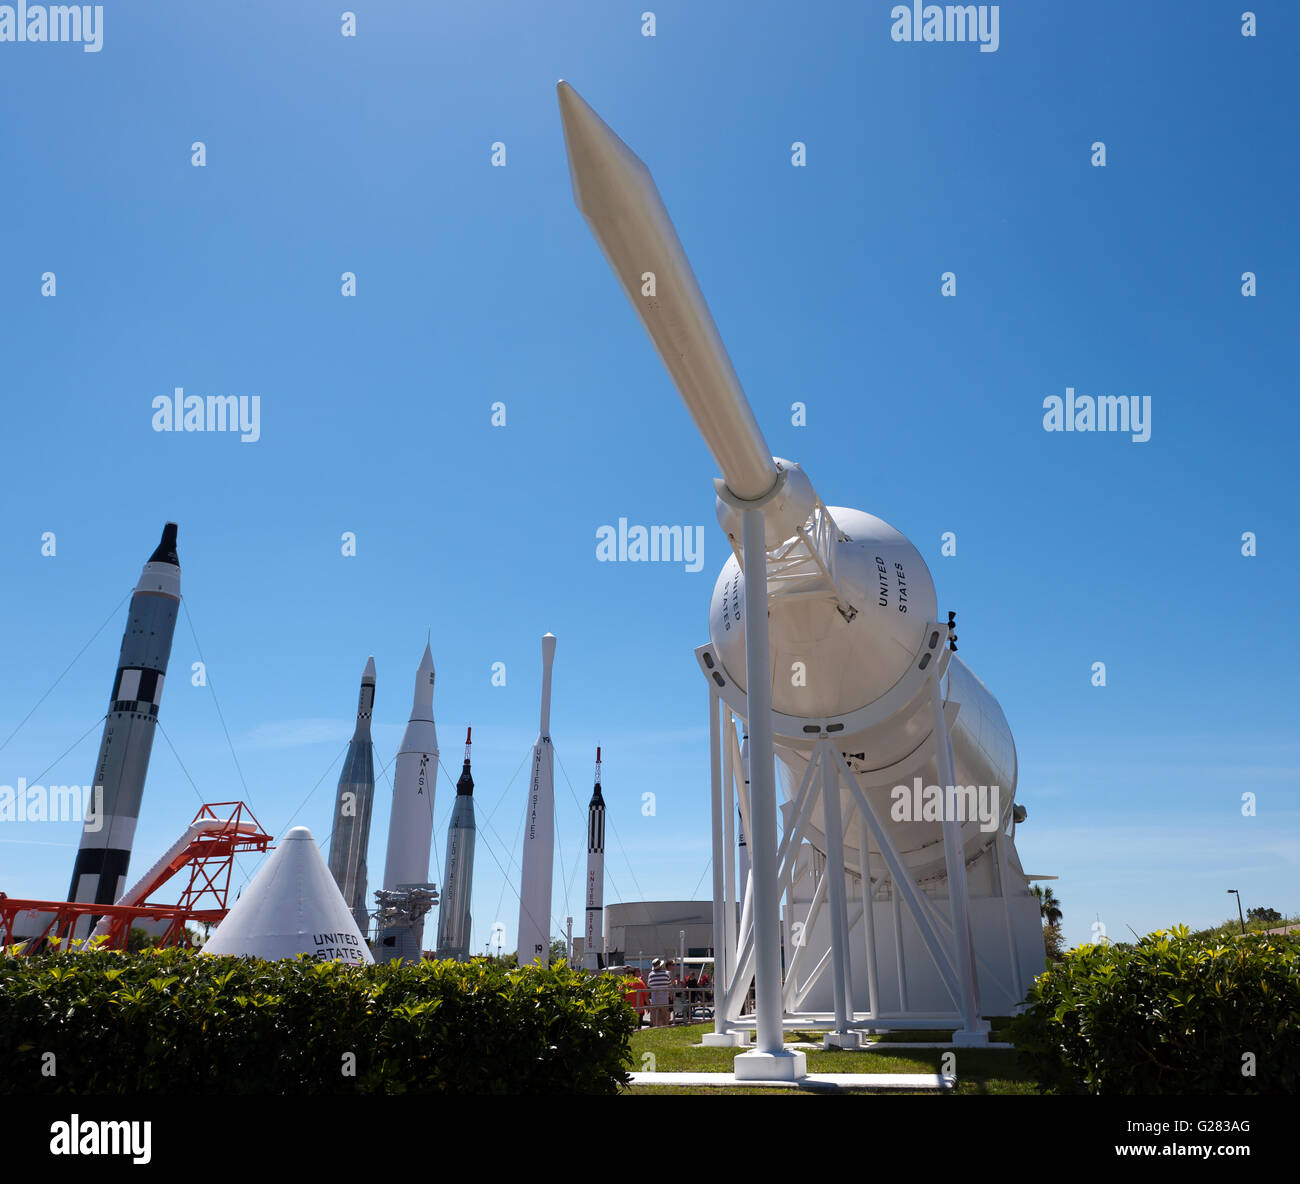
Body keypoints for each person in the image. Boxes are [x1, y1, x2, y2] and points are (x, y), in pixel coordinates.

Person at [647, 958, 672, 1028]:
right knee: (665, 1019)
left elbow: (649, 986)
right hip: (664, 1000)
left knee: (655, 1021)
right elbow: (669, 986)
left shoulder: (650, 975)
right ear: (661, 966)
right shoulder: (667, 974)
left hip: (655, 1001)